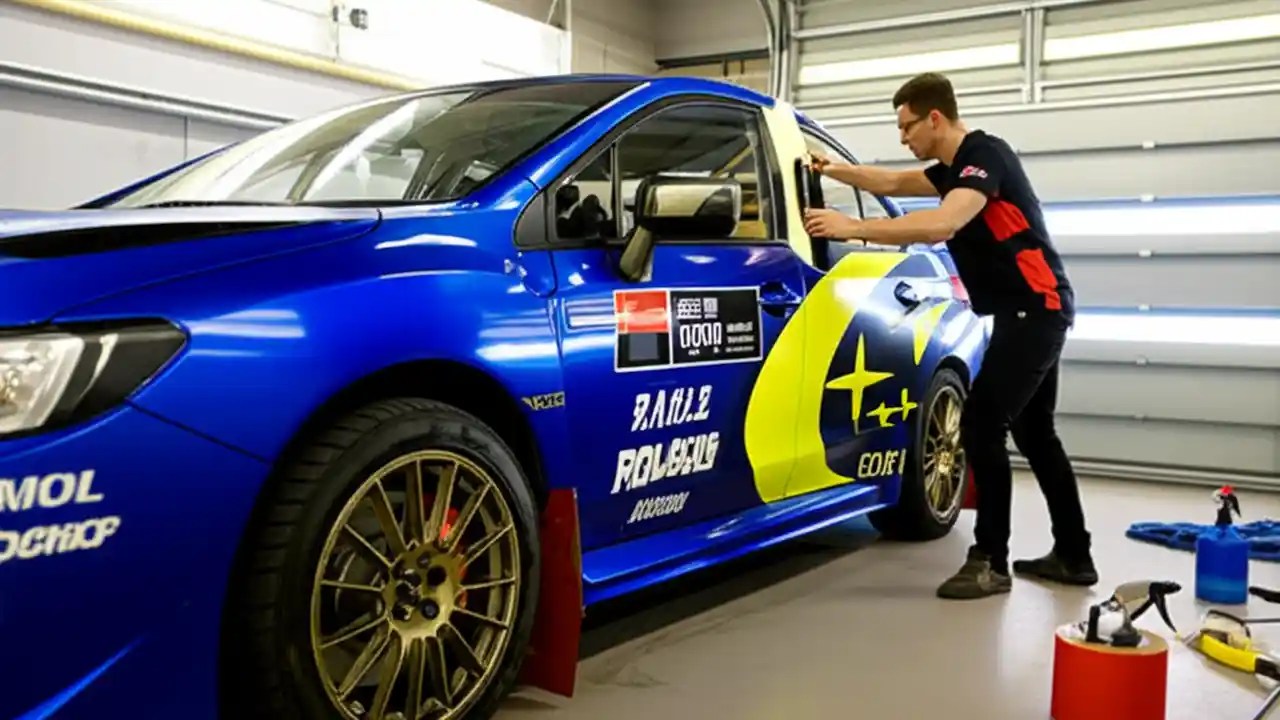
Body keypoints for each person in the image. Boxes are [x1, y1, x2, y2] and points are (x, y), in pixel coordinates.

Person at [803, 72, 1096, 600]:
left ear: (934, 117)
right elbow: (892, 183)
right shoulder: (955, 169)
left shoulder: (985, 157)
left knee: (983, 421)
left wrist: (851, 228)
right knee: (1036, 436)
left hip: (1038, 308)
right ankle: (1074, 555)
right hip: (1026, 312)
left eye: (907, 126)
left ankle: (990, 559)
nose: (903, 138)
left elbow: (942, 225)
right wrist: (832, 169)